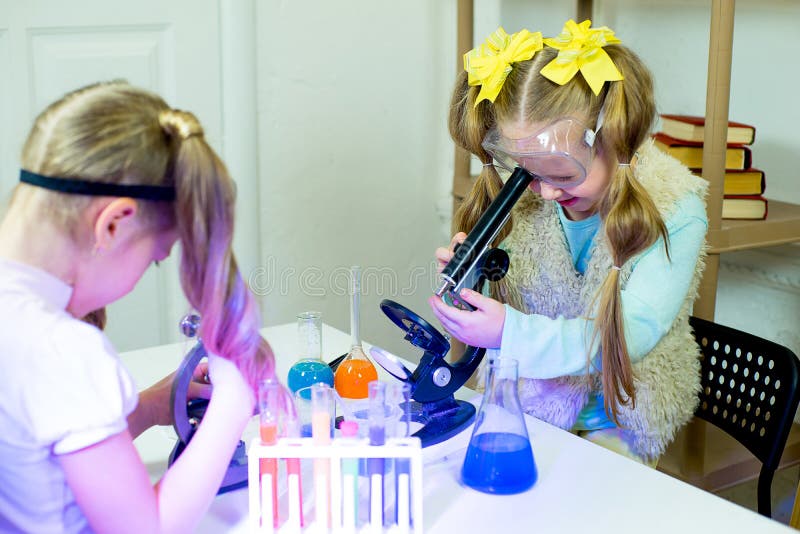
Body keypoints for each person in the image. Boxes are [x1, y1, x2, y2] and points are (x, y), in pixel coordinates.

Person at [0, 81, 278, 532]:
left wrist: (149, 407)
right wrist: (235, 396)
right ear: (113, 224)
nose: (146, 271)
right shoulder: (60, 348)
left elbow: (41, 450)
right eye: (155, 258)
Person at [430, 21, 708, 465]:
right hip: (533, 405)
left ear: (614, 138)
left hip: (620, 419)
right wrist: (473, 285)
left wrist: (509, 332)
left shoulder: (675, 209)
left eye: (562, 175)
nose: (544, 193)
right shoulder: (529, 198)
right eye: (529, 173)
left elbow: (631, 333)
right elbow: (515, 298)